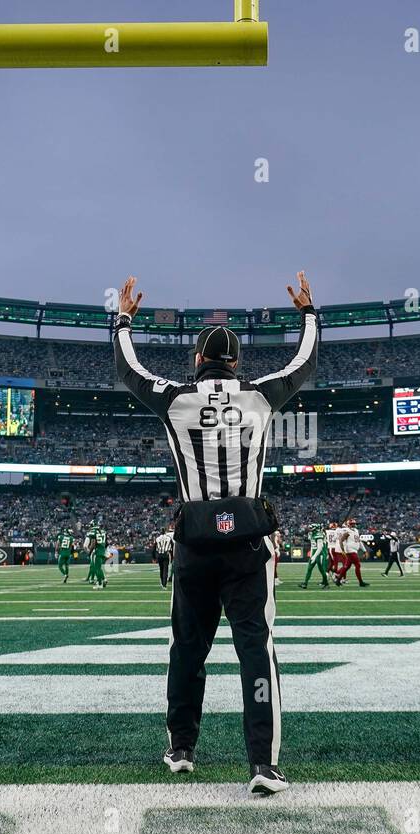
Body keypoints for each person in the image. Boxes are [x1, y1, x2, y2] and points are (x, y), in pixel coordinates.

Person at [112, 272, 318, 795]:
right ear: (237, 363)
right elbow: (304, 364)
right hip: (249, 545)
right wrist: (309, 314)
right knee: (257, 651)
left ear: (197, 360)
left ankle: (182, 748)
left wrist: (124, 320)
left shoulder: (177, 400)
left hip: (195, 544)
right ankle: (262, 765)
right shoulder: (260, 398)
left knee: (187, 647)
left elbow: (130, 371)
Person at [298, 522, 330, 590]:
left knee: (322, 570)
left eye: (311, 528)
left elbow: (320, 547)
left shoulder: (319, 535)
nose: (310, 529)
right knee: (309, 569)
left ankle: (326, 584)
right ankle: (305, 583)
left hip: (320, 554)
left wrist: (315, 556)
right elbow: (312, 546)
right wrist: (311, 555)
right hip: (314, 553)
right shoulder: (311, 534)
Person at [85, 521, 108, 590]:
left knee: (97, 568)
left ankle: (99, 584)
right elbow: (106, 542)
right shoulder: (103, 531)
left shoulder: (93, 531)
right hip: (102, 551)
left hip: (97, 551)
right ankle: (103, 580)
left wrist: (89, 552)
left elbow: (93, 543)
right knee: (99, 568)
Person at [154, 525, 175, 589]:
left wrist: (154, 557)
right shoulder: (168, 538)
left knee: (161, 569)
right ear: (165, 531)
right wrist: (172, 556)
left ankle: (162, 582)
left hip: (160, 555)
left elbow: (154, 548)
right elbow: (172, 548)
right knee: (165, 570)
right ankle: (164, 584)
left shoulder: (157, 538)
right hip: (166, 555)